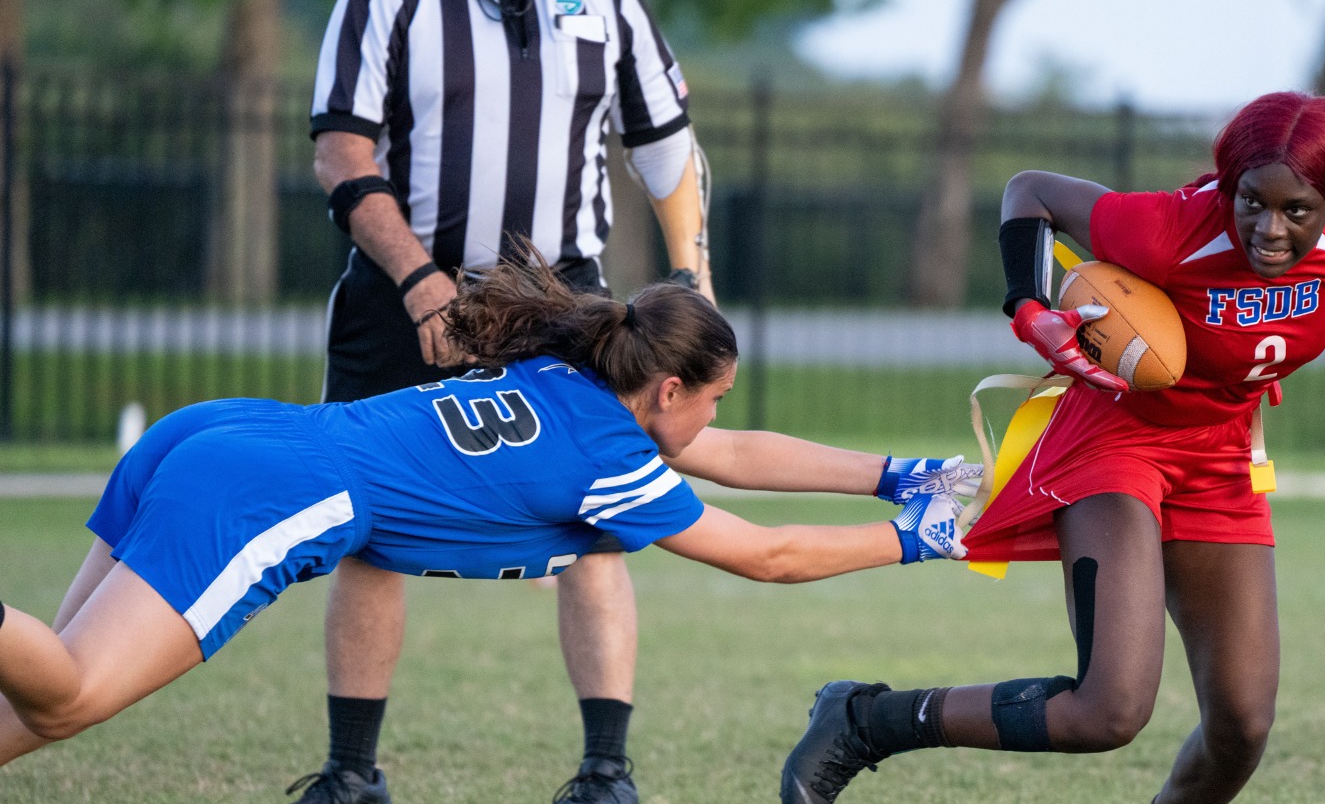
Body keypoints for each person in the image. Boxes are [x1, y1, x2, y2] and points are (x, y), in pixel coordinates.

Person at [776, 92, 1325, 804]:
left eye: (1297, 210)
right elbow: (1028, 191)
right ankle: (866, 720)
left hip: (1219, 459)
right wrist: (1029, 308)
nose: (1269, 228)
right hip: (1116, 443)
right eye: (1251, 201)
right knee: (1109, 710)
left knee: (1243, 723)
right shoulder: (1168, 228)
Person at [0, 263, 969, 777]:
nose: (716, 419)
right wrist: (923, 536)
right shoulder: (607, 461)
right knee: (71, 695)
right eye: (713, 398)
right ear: (669, 388)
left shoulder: (577, 375)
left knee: (41, 702)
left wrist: (900, 476)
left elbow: (734, 452)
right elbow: (768, 554)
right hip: (268, 490)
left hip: (222, 431)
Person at [302, 0, 713, 804]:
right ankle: (352, 777)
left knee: (598, 522)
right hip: (407, 288)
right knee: (364, 518)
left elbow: (662, 139)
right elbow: (341, 153)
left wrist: (693, 275)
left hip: (567, 299)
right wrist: (419, 280)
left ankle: (605, 774)